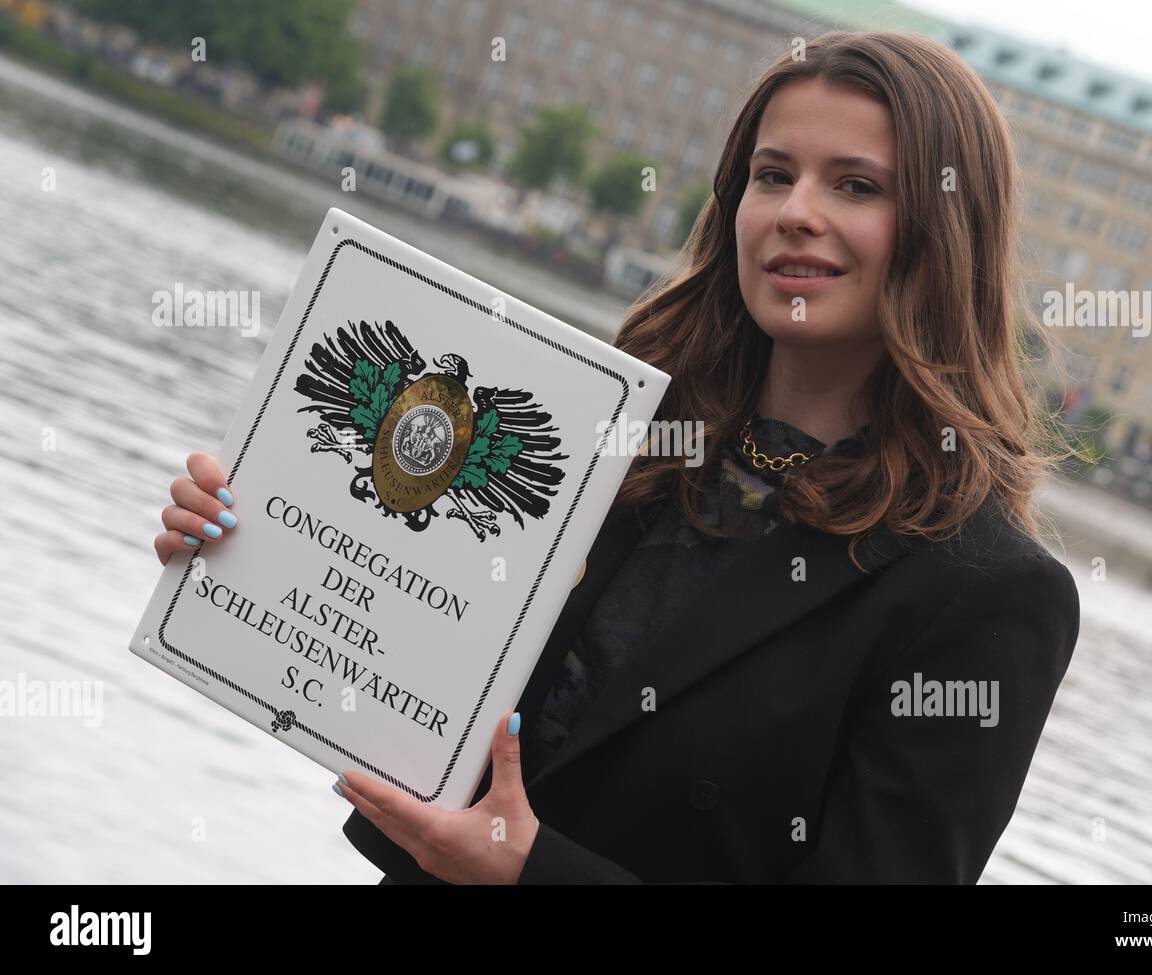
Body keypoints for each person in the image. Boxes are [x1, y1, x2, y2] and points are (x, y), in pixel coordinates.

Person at [154, 30, 1080, 884]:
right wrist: (258, 544)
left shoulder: (987, 594)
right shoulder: (614, 441)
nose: (796, 212)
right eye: (772, 174)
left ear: (946, 232)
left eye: (856, 185)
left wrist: (533, 876)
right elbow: (403, 668)